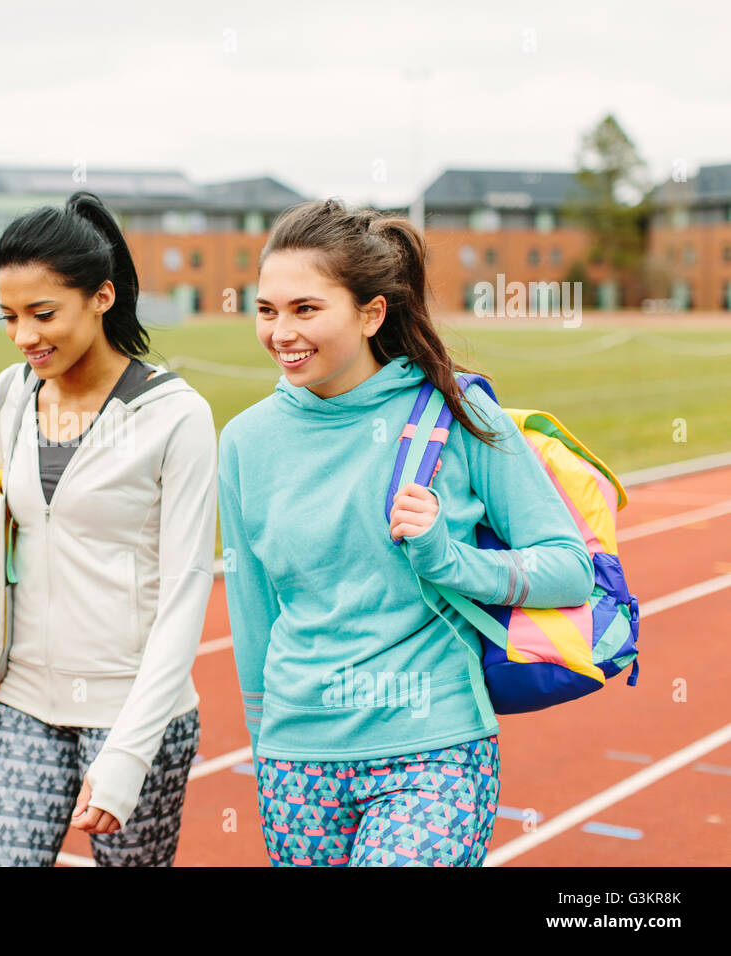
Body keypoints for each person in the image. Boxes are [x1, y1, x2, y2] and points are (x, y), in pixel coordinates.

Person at [217, 198, 594, 866]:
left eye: (306, 309)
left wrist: (449, 560)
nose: (281, 332)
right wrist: (264, 742)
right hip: (296, 759)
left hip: (434, 750)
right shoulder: (245, 441)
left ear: (371, 312)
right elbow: (252, 610)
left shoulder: (458, 412)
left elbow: (569, 568)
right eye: (266, 310)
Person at [0, 191, 217, 866]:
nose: (25, 335)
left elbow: (187, 589)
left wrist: (129, 756)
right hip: (27, 701)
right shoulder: (14, 392)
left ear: (103, 296)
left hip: (135, 713)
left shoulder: (178, 416)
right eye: (9, 316)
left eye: (43, 313)